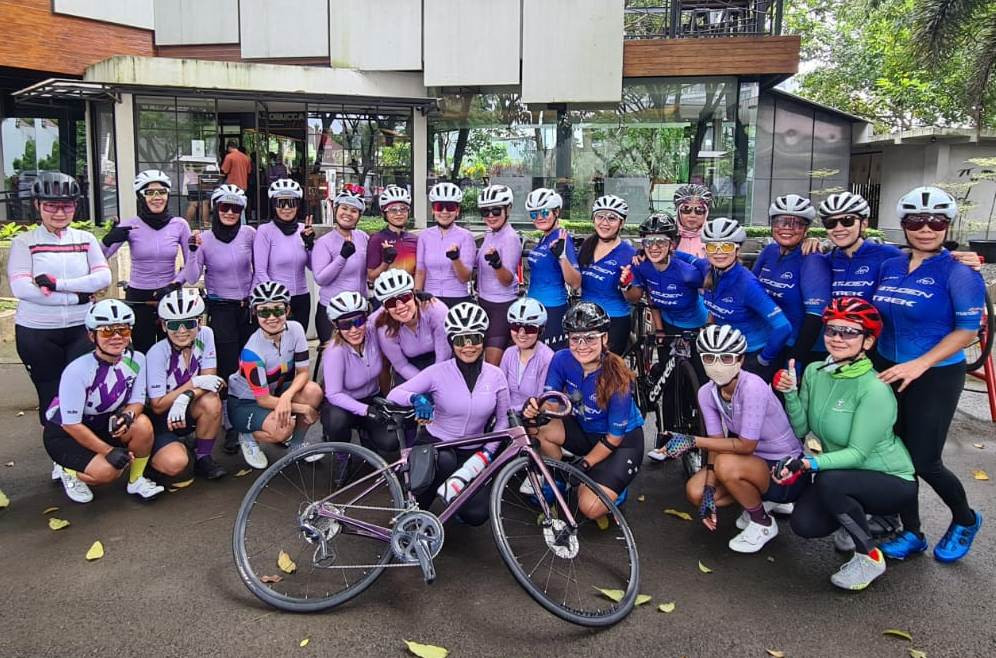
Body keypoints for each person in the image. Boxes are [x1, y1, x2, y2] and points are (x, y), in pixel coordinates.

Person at [772, 297, 916, 590]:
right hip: (839, 473)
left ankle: (870, 557)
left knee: (830, 483)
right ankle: (856, 515)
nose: (837, 338)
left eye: (849, 332)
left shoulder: (874, 388)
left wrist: (807, 463)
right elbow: (803, 429)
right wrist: (790, 392)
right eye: (832, 330)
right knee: (805, 524)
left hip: (890, 479)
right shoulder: (815, 371)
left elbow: (858, 454)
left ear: (868, 342)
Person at [873, 187, 985, 563]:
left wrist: (921, 363)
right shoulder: (891, 264)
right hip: (887, 368)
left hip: (934, 374)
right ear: (903, 226)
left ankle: (966, 519)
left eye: (935, 221)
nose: (925, 229)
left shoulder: (959, 271)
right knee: (895, 457)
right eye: (915, 221)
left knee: (924, 460)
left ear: (947, 225)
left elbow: (967, 331)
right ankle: (912, 532)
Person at [8, 172, 112, 497]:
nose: (59, 212)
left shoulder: (85, 239)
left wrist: (58, 286)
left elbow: (102, 277)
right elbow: (22, 287)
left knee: (79, 396)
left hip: (81, 329)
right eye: (51, 205)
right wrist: (78, 295)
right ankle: (64, 462)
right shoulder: (24, 242)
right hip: (38, 332)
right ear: (38, 205)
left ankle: (78, 452)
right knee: (51, 398)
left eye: (65, 205)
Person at [659, 325, 802, 553]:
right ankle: (758, 500)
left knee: (726, 465)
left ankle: (763, 521)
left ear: (740, 359)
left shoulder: (752, 387)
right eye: (709, 358)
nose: (717, 365)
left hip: (784, 466)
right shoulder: (707, 392)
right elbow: (716, 441)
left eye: (726, 358)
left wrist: (693, 441)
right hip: (752, 462)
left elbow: (746, 445)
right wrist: (708, 491)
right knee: (695, 491)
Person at [386, 302, 510, 524]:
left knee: (477, 515)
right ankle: (416, 507)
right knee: (443, 462)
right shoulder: (437, 372)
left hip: (473, 451)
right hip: (436, 444)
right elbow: (394, 394)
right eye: (461, 340)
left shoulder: (496, 376)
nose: (468, 346)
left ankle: (455, 503)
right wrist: (415, 398)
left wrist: (486, 454)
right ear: (452, 342)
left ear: (483, 339)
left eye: (475, 338)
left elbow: (502, 421)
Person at [525, 302, 644, 519]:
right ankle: (558, 480)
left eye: (589, 338)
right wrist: (535, 407)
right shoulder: (561, 359)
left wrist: (584, 465)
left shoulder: (618, 375)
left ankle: (615, 490)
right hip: (585, 430)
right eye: (574, 339)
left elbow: (614, 438)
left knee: (589, 508)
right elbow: (552, 403)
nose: (581, 345)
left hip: (621, 443)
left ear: (604, 338)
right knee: (540, 429)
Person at [43, 299, 164, 502]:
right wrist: (109, 451)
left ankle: (136, 480)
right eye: (107, 331)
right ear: (92, 335)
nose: (116, 337)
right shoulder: (77, 370)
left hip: (104, 424)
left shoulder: (137, 360)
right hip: (67, 433)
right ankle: (67, 470)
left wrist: (127, 416)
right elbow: (71, 424)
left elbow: (137, 401)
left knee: (142, 424)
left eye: (123, 331)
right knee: (108, 472)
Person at [183, 184, 256, 455]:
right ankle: (229, 424)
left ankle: (247, 417)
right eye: (224, 207)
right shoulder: (205, 239)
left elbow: (259, 267)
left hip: (247, 307)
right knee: (227, 366)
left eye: (235, 208)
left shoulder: (250, 234)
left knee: (249, 363)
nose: (229, 212)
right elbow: (191, 276)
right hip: (220, 307)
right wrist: (191, 250)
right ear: (215, 208)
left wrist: (254, 299)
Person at [226, 282, 324, 470]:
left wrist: (287, 397)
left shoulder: (295, 329)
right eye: (264, 312)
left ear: (287, 310)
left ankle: (296, 445)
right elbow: (262, 400)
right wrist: (303, 409)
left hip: (276, 392)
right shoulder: (252, 352)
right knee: (282, 429)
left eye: (278, 311)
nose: (272, 318)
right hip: (245, 403)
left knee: (313, 391)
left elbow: (303, 373)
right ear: (255, 313)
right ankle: (247, 435)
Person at [101, 170, 191, 352]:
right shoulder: (130, 224)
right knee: (143, 351)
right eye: (150, 192)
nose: (156, 197)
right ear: (141, 197)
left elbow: (192, 263)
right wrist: (108, 239)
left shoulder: (180, 225)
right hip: (139, 297)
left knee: (174, 349)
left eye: (162, 192)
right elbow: (99, 257)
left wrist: (175, 284)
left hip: (169, 293)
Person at [144, 289, 227, 481]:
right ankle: (152, 456)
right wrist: (193, 383)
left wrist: (185, 396)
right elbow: (158, 405)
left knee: (212, 401)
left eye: (189, 323)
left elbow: (211, 380)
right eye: (174, 325)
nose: (182, 331)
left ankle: (203, 457)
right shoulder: (157, 353)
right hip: (162, 419)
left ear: (199, 322)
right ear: (164, 326)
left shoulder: (206, 335)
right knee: (175, 464)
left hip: (186, 405)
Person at [700, 217, 791, 381]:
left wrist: (763, 360)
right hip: (728, 350)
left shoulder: (747, 284)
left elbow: (783, 327)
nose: (719, 252)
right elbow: (686, 259)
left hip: (751, 353)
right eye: (713, 246)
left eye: (726, 246)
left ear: (737, 250)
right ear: (705, 250)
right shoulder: (710, 271)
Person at [753, 195, 832, 367]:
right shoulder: (769, 251)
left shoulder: (812, 259)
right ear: (772, 225)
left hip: (797, 347)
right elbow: (751, 290)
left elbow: (815, 316)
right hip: (767, 340)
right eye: (781, 222)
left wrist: (795, 359)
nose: (787, 228)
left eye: (796, 223)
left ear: (806, 229)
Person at [320, 291, 397, 459]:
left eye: (359, 321)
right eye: (346, 325)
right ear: (336, 325)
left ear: (366, 318)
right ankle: (342, 457)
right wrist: (365, 410)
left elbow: (389, 307)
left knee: (391, 442)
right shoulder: (335, 351)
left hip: (372, 398)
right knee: (336, 422)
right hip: (343, 406)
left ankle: (366, 433)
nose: (354, 329)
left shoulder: (371, 330)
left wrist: (416, 297)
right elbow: (333, 394)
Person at [623, 213, 707, 333]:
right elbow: (651, 299)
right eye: (648, 242)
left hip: (696, 324)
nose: (654, 247)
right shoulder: (641, 266)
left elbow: (713, 295)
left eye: (661, 242)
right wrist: (659, 329)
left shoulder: (688, 273)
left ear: (671, 244)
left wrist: (709, 326)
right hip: (666, 323)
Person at [577, 195, 638, 355]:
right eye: (600, 217)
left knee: (606, 371)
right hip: (585, 317)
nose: (604, 223)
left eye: (612, 218)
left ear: (621, 223)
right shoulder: (587, 246)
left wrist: (626, 285)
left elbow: (635, 298)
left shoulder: (629, 254)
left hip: (614, 320)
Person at [253, 179, 316, 331]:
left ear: (298, 205)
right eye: (281, 203)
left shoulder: (304, 228)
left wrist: (310, 244)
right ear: (273, 205)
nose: (286, 208)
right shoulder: (265, 231)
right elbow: (260, 271)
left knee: (298, 346)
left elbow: (314, 267)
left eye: (291, 203)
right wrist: (275, 298)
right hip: (276, 300)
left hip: (302, 297)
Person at [524, 188, 581, 349]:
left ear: (556, 212)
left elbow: (575, 282)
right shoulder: (545, 237)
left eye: (544, 212)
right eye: (534, 214)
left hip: (553, 310)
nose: (539, 217)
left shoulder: (562, 238)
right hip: (535, 307)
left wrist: (561, 256)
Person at [819, 192, 902, 301]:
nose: (838, 228)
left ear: (864, 224)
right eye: (830, 223)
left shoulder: (888, 255)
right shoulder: (825, 260)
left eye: (847, 221)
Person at [372, 269, 451, 381]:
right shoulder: (384, 328)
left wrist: (434, 381)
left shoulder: (436, 309)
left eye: (404, 297)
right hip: (408, 366)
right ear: (385, 308)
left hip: (440, 360)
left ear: (414, 295)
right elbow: (401, 365)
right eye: (391, 303)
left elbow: (443, 357)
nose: (400, 307)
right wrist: (423, 382)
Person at [312, 190, 369, 345]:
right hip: (332, 311)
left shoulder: (363, 237)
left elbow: (367, 274)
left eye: (354, 210)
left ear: (359, 215)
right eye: (344, 208)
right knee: (334, 358)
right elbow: (320, 279)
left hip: (358, 309)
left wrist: (385, 260)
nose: (348, 214)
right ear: (336, 209)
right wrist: (342, 257)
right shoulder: (324, 242)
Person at [476, 185, 522, 364]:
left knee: (491, 365)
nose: (490, 216)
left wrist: (497, 263)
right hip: (484, 302)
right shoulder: (491, 234)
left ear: (508, 209)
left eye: (496, 210)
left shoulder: (510, 237)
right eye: (485, 212)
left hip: (501, 307)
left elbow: (507, 279)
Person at [415, 182, 476, 306]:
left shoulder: (466, 236)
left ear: (457, 210)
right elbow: (420, 271)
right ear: (433, 210)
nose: (444, 211)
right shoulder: (424, 236)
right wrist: (417, 298)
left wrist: (455, 259)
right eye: (439, 207)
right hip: (429, 298)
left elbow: (465, 277)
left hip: (457, 298)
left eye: (450, 207)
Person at [500, 298, 555, 411]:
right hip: (507, 415)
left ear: (540, 330)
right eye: (515, 327)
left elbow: (540, 400)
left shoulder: (547, 358)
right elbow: (501, 391)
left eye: (529, 329)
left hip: (533, 415)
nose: (521, 334)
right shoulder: (509, 353)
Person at [367, 185, 418, 282]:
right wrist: (386, 261)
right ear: (384, 214)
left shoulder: (415, 239)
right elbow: (371, 276)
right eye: (392, 210)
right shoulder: (377, 239)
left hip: (409, 294)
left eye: (403, 209)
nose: (399, 214)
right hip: (386, 295)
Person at [672, 184, 713, 258]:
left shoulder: (714, 238)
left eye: (699, 210)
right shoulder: (670, 237)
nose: (692, 215)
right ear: (678, 212)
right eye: (686, 209)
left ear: (706, 213)